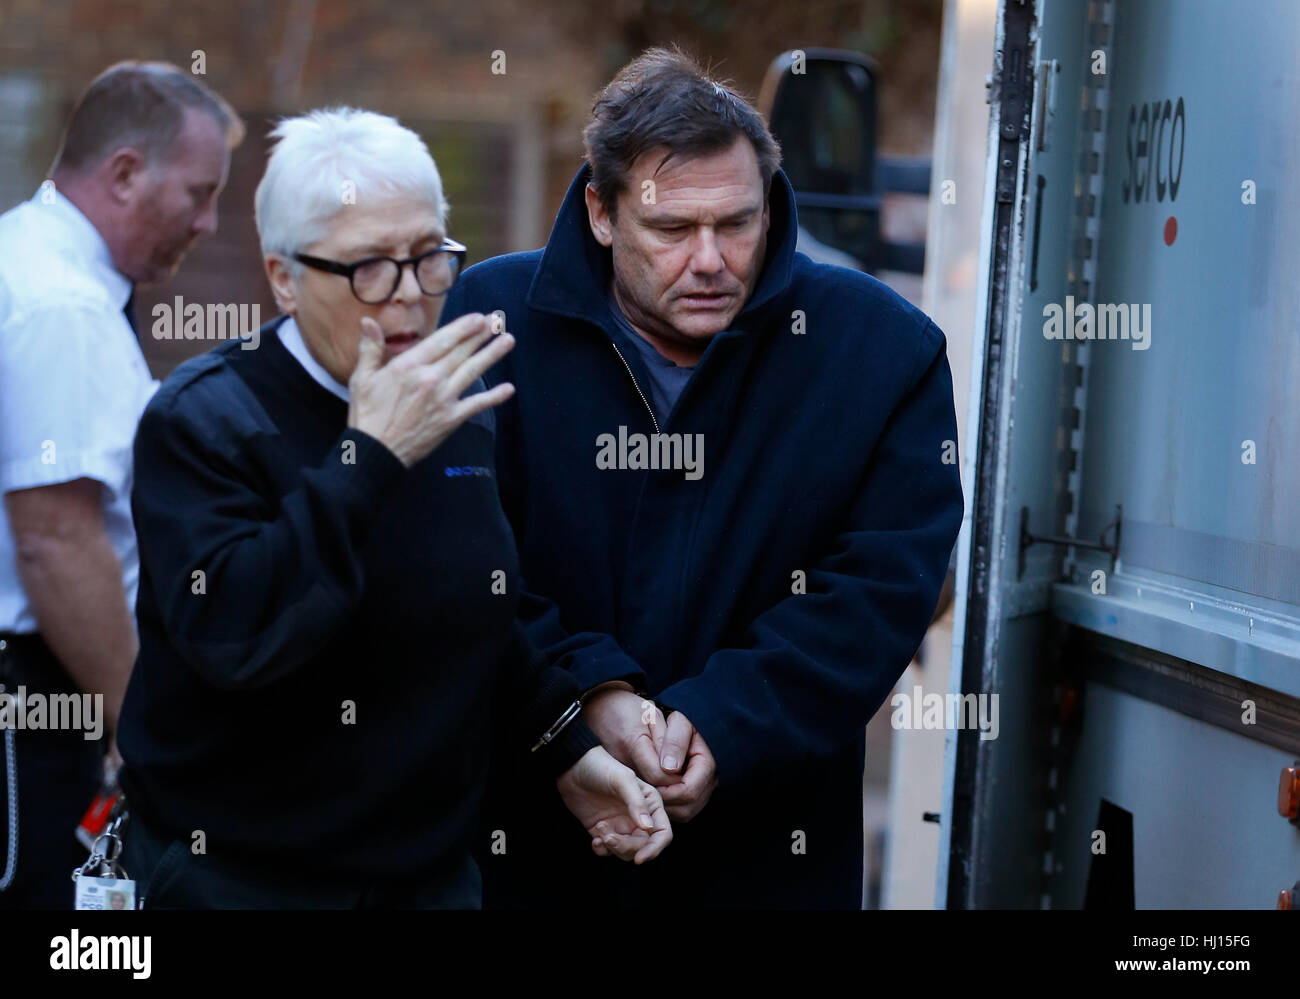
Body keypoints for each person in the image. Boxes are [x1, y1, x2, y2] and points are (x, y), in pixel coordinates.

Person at [441, 47, 965, 908]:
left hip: (771, 858)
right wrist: (582, 703)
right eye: (674, 230)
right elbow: (458, 554)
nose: (713, 259)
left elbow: (882, 588)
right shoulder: (488, 320)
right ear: (602, 213)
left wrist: (726, 721)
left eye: (737, 222)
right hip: (525, 841)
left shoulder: (882, 350)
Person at [116, 107, 671, 909]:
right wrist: (369, 457)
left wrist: (563, 746)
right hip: (233, 880)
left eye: (429, 259)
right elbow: (241, 635)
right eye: (370, 268)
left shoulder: (456, 395)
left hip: (427, 880)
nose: (410, 297)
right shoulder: (205, 420)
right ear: (283, 276)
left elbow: (480, 606)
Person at [0, 61, 242, 909]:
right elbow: (56, 541)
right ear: (127, 173)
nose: (210, 223)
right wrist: (142, 730)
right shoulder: (60, 305)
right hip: (36, 705)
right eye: (199, 194)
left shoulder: (35, 268)